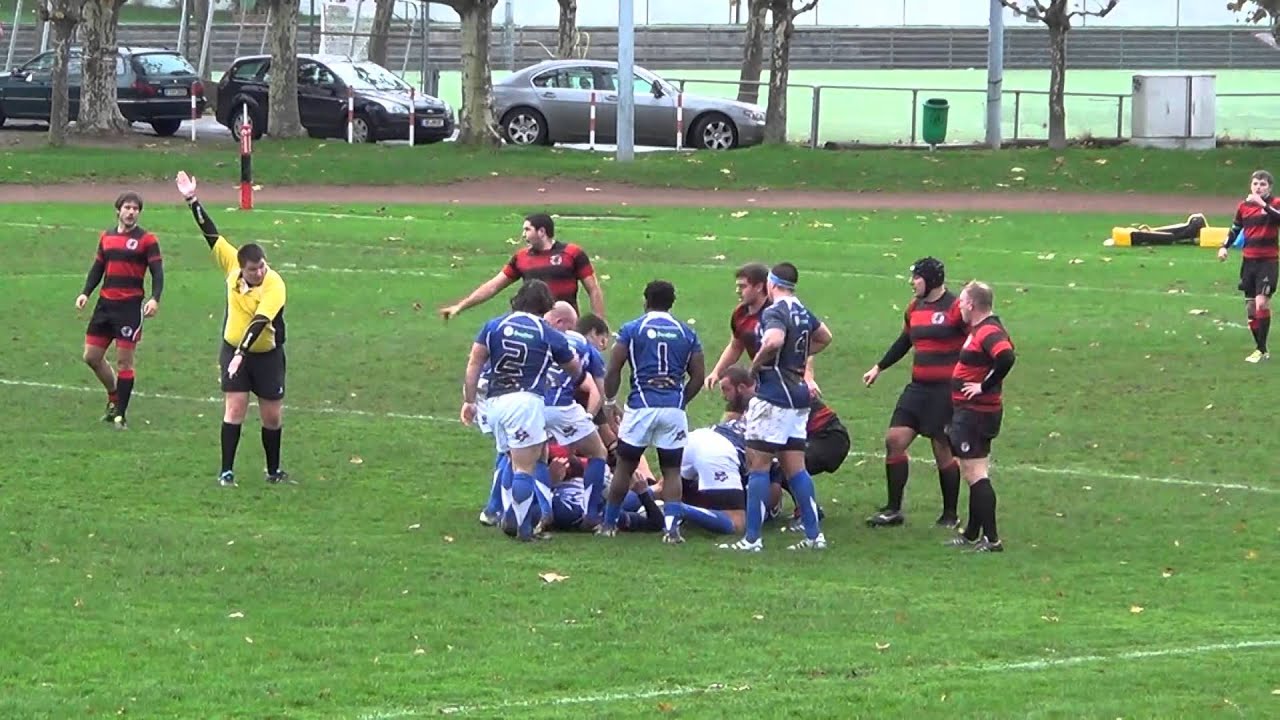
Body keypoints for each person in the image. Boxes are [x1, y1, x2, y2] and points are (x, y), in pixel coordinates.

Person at [176, 171, 290, 487]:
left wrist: (243, 353)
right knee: (235, 407)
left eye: (262, 266)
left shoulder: (275, 284)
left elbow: (260, 321)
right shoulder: (231, 267)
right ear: (241, 267)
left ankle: (273, 470)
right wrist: (191, 199)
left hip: (266, 354)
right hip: (233, 350)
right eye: (253, 269)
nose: (259, 272)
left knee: (272, 416)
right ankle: (227, 471)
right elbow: (210, 234)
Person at [723, 262, 832, 552]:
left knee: (756, 465)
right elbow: (825, 336)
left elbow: (773, 340)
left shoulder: (775, 311)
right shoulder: (801, 309)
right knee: (796, 469)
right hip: (798, 396)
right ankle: (813, 536)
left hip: (774, 395)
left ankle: (752, 538)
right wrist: (796, 358)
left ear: (771, 283)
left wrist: (756, 366)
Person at [461, 279, 580, 541]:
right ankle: (523, 529)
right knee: (526, 466)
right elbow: (574, 367)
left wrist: (469, 401)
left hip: (493, 403)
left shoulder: (494, 325)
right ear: (545, 305)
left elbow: (474, 363)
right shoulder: (547, 332)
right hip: (524, 403)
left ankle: (502, 513)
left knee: (510, 456)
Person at [861, 257, 967, 529]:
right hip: (918, 388)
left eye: (916, 277)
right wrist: (879, 366)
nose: (912, 282)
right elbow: (905, 340)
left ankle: (950, 514)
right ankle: (894, 509)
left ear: (931, 280)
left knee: (942, 449)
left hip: (945, 392)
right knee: (894, 440)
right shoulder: (914, 308)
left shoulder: (956, 308)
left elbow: (975, 341)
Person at [598, 280, 705, 543]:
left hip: (640, 408)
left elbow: (614, 369)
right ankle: (671, 530)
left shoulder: (632, 329)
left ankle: (609, 524)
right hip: (672, 409)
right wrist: (680, 400)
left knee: (625, 466)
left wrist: (610, 402)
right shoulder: (687, 333)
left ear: (645, 301)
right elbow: (698, 376)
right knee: (671, 469)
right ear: (672, 303)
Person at [75, 192, 163, 430]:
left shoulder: (147, 240)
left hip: (130, 308)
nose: (131, 212)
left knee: (125, 362)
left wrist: (155, 298)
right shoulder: (107, 237)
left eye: (135, 208)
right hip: (105, 306)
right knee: (91, 357)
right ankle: (114, 398)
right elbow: (98, 267)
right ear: (118, 210)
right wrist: (85, 293)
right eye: (127, 207)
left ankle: (120, 415)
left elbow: (157, 272)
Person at [945, 281, 1016, 553]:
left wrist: (983, 386)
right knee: (971, 471)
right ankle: (973, 533)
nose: (959, 306)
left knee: (976, 474)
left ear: (972, 304)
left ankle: (992, 539)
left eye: (962, 302)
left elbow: (1006, 357)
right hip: (975, 413)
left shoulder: (988, 330)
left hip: (976, 413)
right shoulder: (981, 329)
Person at [439, 213, 605, 321]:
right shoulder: (521, 257)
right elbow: (492, 287)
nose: (523, 234)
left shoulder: (572, 253)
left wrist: (599, 323)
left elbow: (593, 289)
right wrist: (461, 306)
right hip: (533, 324)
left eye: (527, 229)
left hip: (564, 324)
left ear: (541, 231)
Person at [541, 301, 609, 522]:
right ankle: (591, 514)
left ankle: (533, 512)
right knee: (598, 453)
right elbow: (599, 392)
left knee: (527, 459)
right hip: (562, 408)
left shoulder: (542, 337)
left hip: (532, 406)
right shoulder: (586, 348)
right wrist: (588, 418)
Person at [1218, 169, 1280, 363]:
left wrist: (1263, 205)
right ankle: (1261, 349)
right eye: (1255, 184)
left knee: (1262, 302)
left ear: (1269, 187)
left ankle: (1260, 350)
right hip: (1249, 261)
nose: (1258, 187)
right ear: (1251, 186)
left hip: (1268, 261)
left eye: (1263, 184)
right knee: (1251, 307)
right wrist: (1224, 246)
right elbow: (1236, 228)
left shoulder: (1275, 204)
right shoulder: (1243, 206)